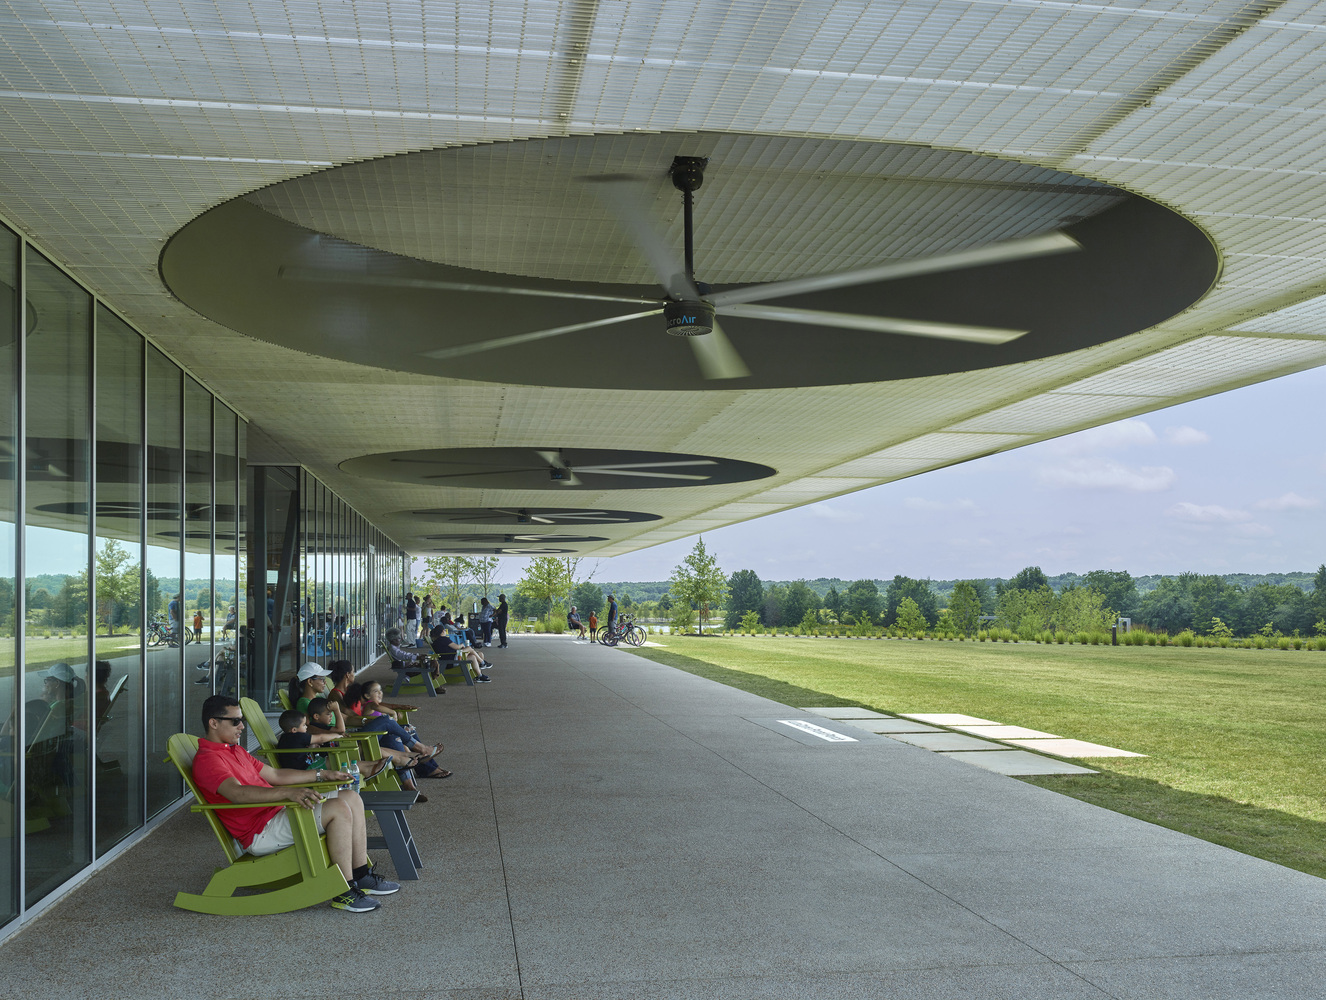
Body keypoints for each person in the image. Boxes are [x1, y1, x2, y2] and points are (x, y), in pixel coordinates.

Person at [191, 694, 400, 912]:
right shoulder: (208, 760)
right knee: (338, 809)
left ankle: (361, 875)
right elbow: (237, 794)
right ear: (213, 723)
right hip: (260, 830)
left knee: (351, 797)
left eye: (241, 720)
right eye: (235, 721)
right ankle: (343, 891)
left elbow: (276, 775)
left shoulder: (235, 750)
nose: (242, 726)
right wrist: (288, 794)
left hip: (278, 813)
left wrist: (322, 774)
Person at [276, 708, 393, 779]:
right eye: (303, 725)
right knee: (334, 761)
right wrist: (337, 735)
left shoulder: (288, 738)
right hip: (305, 771)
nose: (306, 727)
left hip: (305, 767)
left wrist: (310, 747)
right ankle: (368, 768)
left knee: (337, 760)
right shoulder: (296, 737)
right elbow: (321, 738)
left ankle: (370, 766)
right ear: (294, 730)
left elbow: (295, 754)